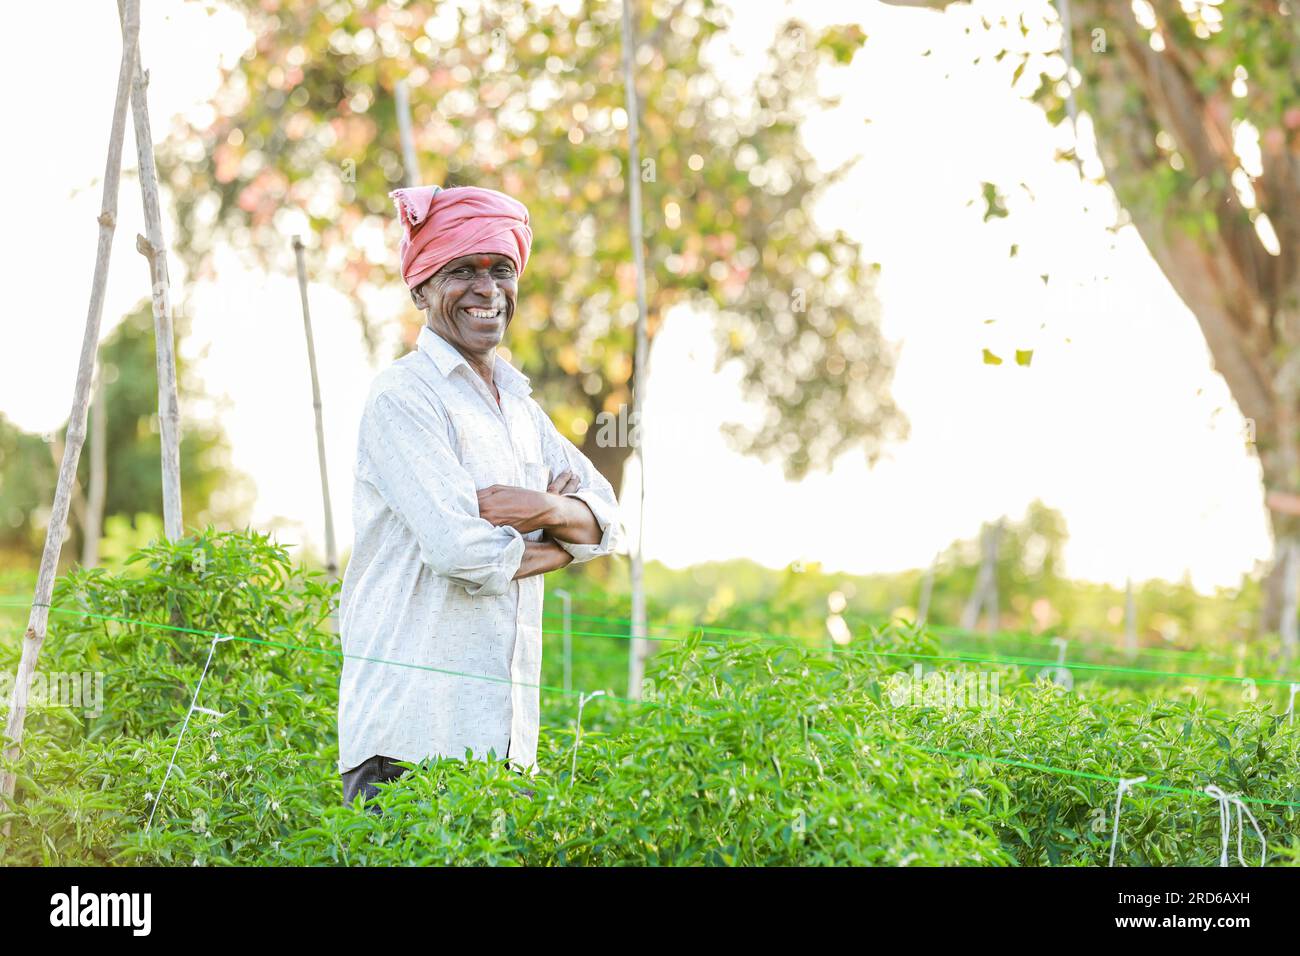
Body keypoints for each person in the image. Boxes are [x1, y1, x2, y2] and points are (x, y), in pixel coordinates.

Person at [337, 184, 625, 809]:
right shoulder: (404, 398)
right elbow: (460, 550)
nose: (487, 288)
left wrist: (544, 510)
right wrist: (564, 543)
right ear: (420, 290)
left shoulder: (520, 407)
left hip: (502, 740)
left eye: (501, 270)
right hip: (407, 743)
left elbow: (608, 521)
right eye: (461, 270)